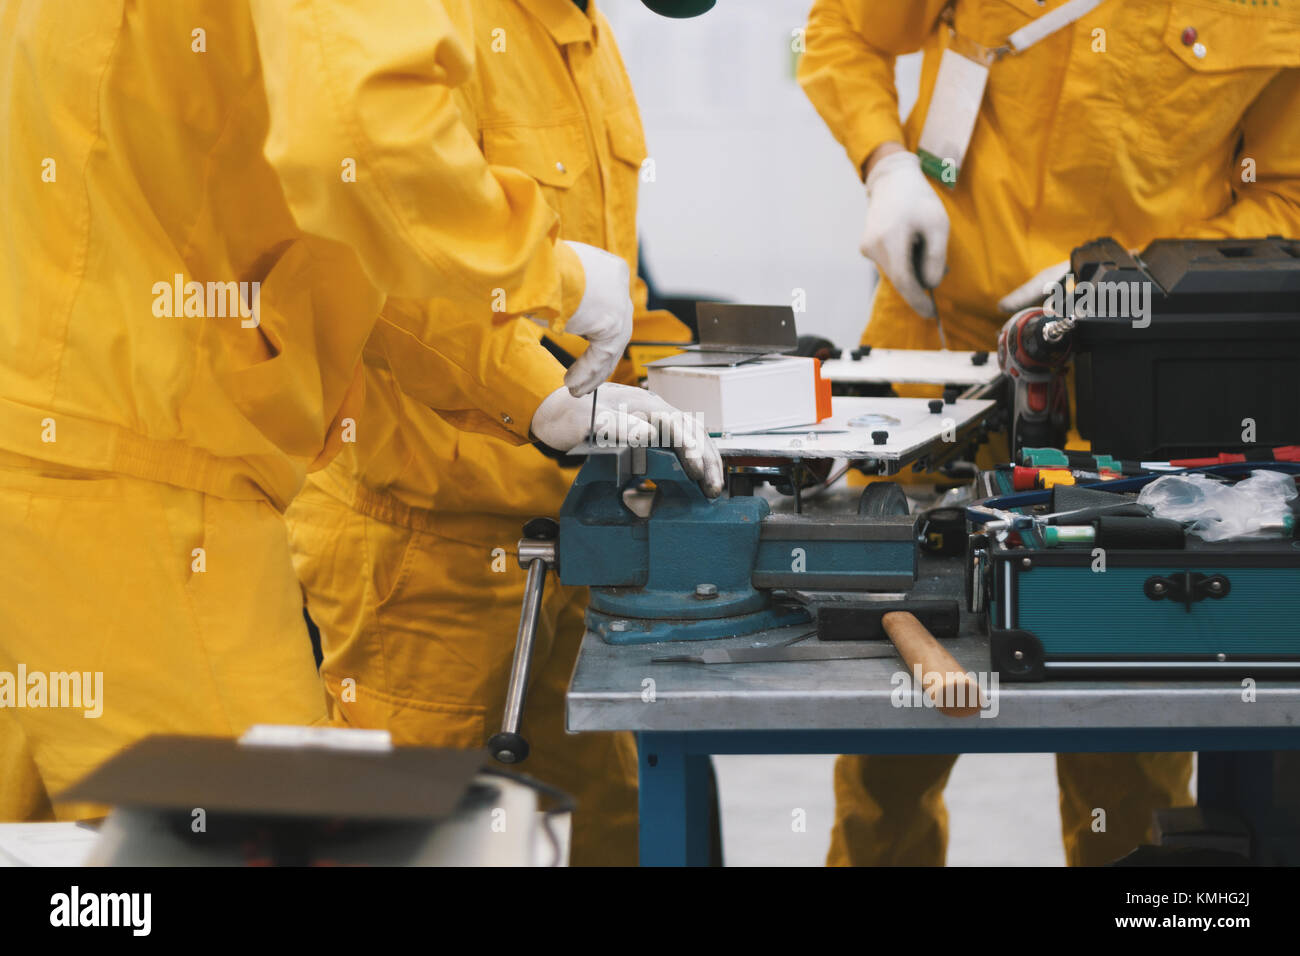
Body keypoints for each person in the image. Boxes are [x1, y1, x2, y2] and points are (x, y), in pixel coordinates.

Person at [0, 0, 641, 821]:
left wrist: (536, 395)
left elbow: (341, 237)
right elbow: (366, 136)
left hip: (58, 459)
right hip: (145, 487)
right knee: (258, 833)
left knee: (72, 861)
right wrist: (548, 272)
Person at [798, 0, 1300, 865]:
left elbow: (1284, 196)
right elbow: (838, 31)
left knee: (1127, 710)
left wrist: (1132, 279)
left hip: (1133, 365)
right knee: (891, 716)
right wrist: (886, 164)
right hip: (936, 352)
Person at [285, 0, 722, 868]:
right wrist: (535, 397)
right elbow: (380, 270)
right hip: (420, 553)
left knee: (609, 832)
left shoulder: (584, 36)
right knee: (406, 847)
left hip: (570, 540)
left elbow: (594, 291)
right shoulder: (425, 23)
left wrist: (709, 374)